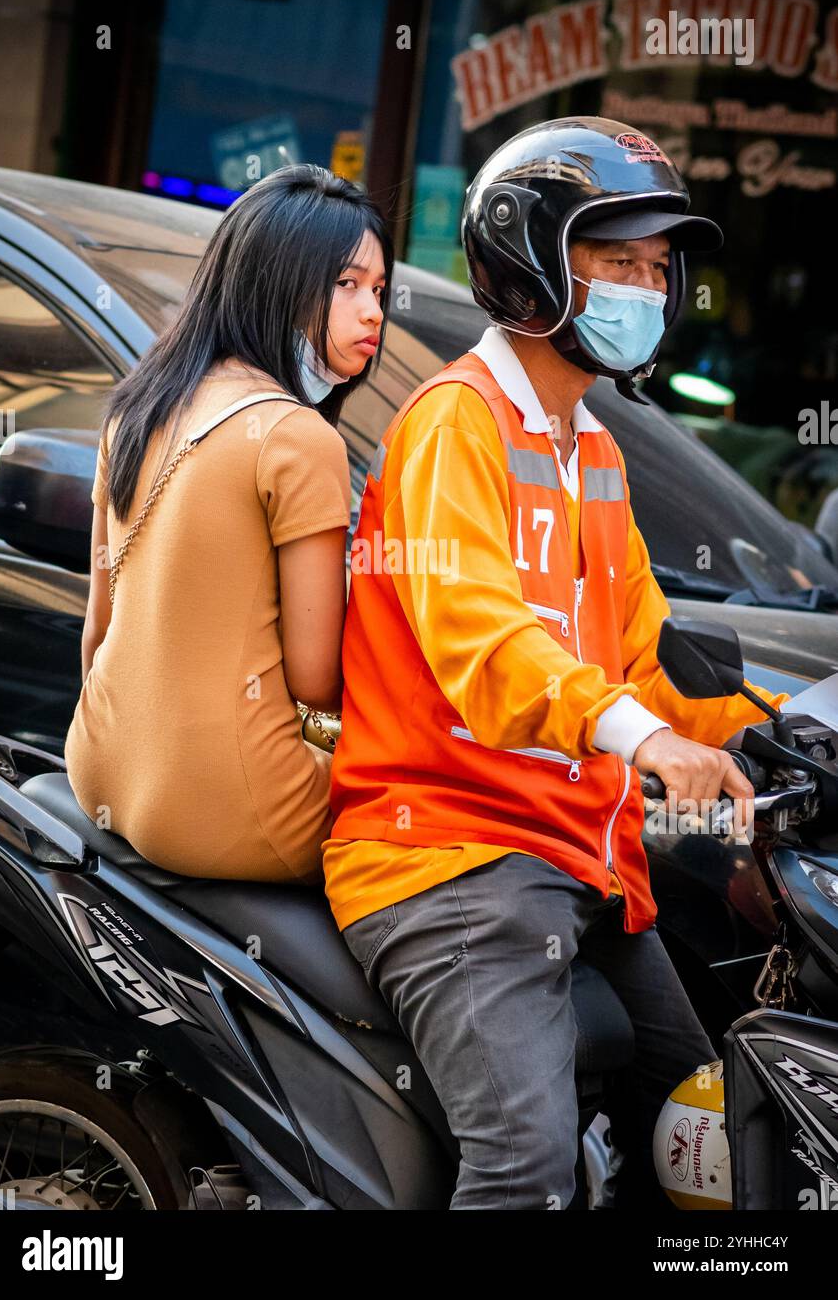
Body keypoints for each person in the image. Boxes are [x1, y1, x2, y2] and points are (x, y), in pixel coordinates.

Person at [324, 117, 791, 1209]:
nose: (645, 286)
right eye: (614, 259)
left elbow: (649, 660)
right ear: (531, 260)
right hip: (447, 860)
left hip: (577, 854)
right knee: (524, 1164)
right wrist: (649, 742)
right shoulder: (456, 425)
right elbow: (483, 644)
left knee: (703, 1131)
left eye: (655, 267)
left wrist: (774, 729)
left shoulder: (594, 454)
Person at [65, 164, 392, 883]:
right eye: (346, 285)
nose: (372, 312)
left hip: (95, 769)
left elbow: (98, 630)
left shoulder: (135, 409)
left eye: (378, 290)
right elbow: (315, 682)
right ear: (277, 281)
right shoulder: (299, 438)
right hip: (239, 814)